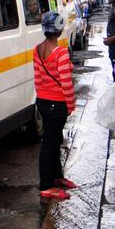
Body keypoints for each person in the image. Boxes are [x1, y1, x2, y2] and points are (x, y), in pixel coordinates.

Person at [34, 11, 78, 201]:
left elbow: (38, 78)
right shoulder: (60, 52)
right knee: (50, 144)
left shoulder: (37, 49)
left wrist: (42, 97)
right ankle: (46, 185)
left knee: (54, 140)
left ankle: (57, 177)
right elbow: (66, 82)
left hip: (43, 101)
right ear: (59, 30)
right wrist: (70, 104)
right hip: (57, 102)